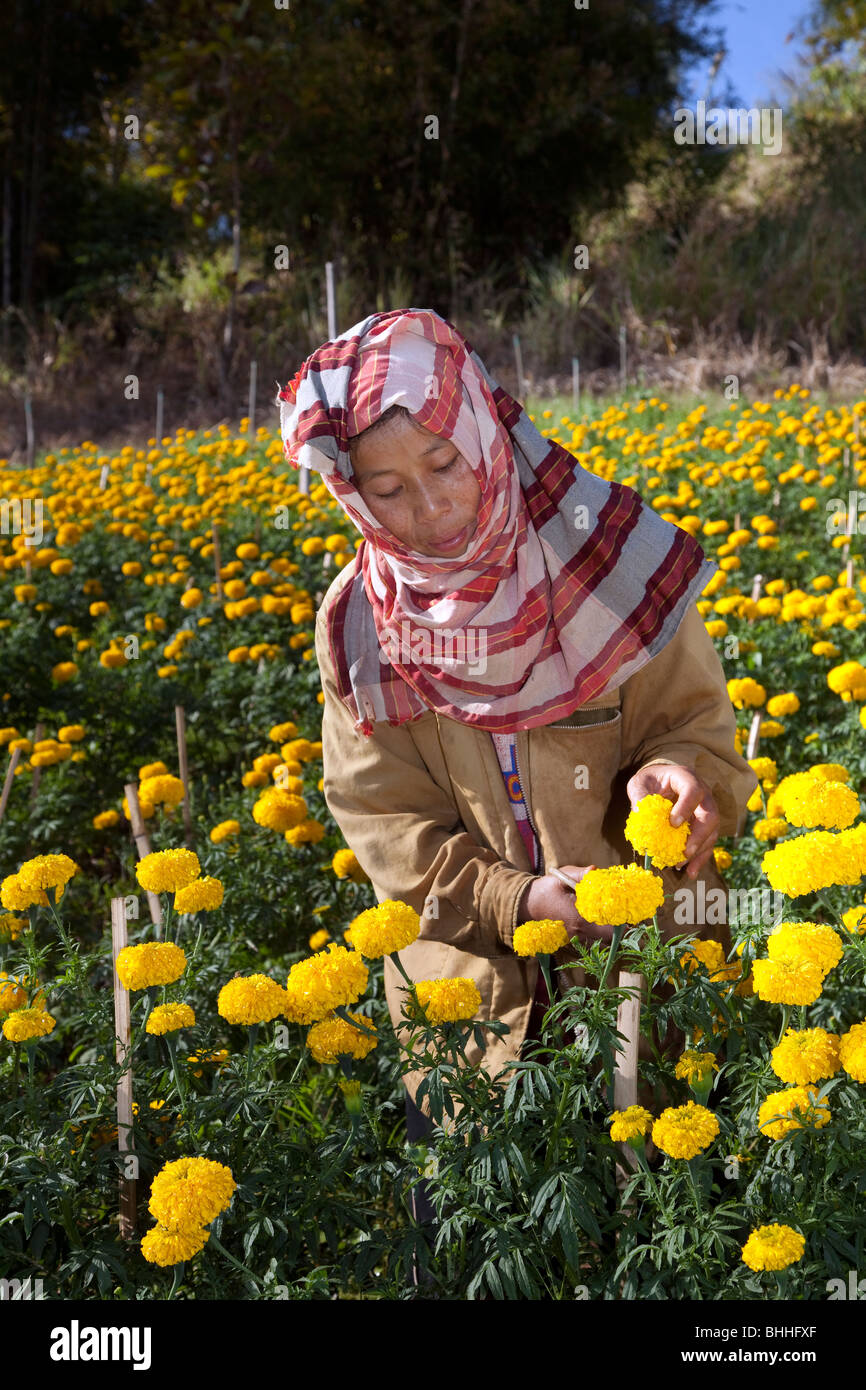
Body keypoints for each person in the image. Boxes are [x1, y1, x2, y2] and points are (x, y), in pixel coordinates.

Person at [277, 306, 757, 1233]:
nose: (430, 505)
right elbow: (387, 829)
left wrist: (679, 777)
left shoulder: (610, 562)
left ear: (486, 433)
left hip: (638, 983)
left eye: (445, 463)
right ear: (351, 496)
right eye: (388, 487)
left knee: (664, 1239)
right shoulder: (361, 629)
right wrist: (518, 901)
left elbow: (698, 728)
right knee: (479, 1249)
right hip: (471, 1024)